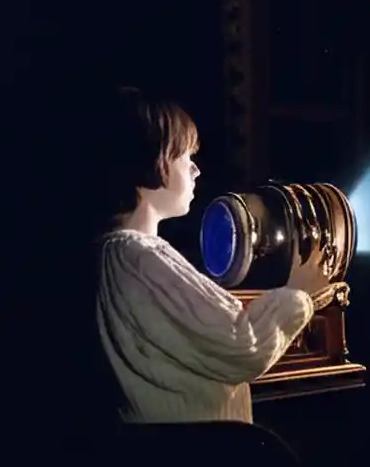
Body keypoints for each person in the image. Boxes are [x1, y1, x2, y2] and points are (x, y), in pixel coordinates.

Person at [90, 86, 330, 424]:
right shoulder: (141, 257)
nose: (196, 170)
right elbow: (242, 345)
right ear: (155, 161)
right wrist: (300, 294)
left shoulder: (112, 255)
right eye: (187, 157)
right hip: (205, 463)